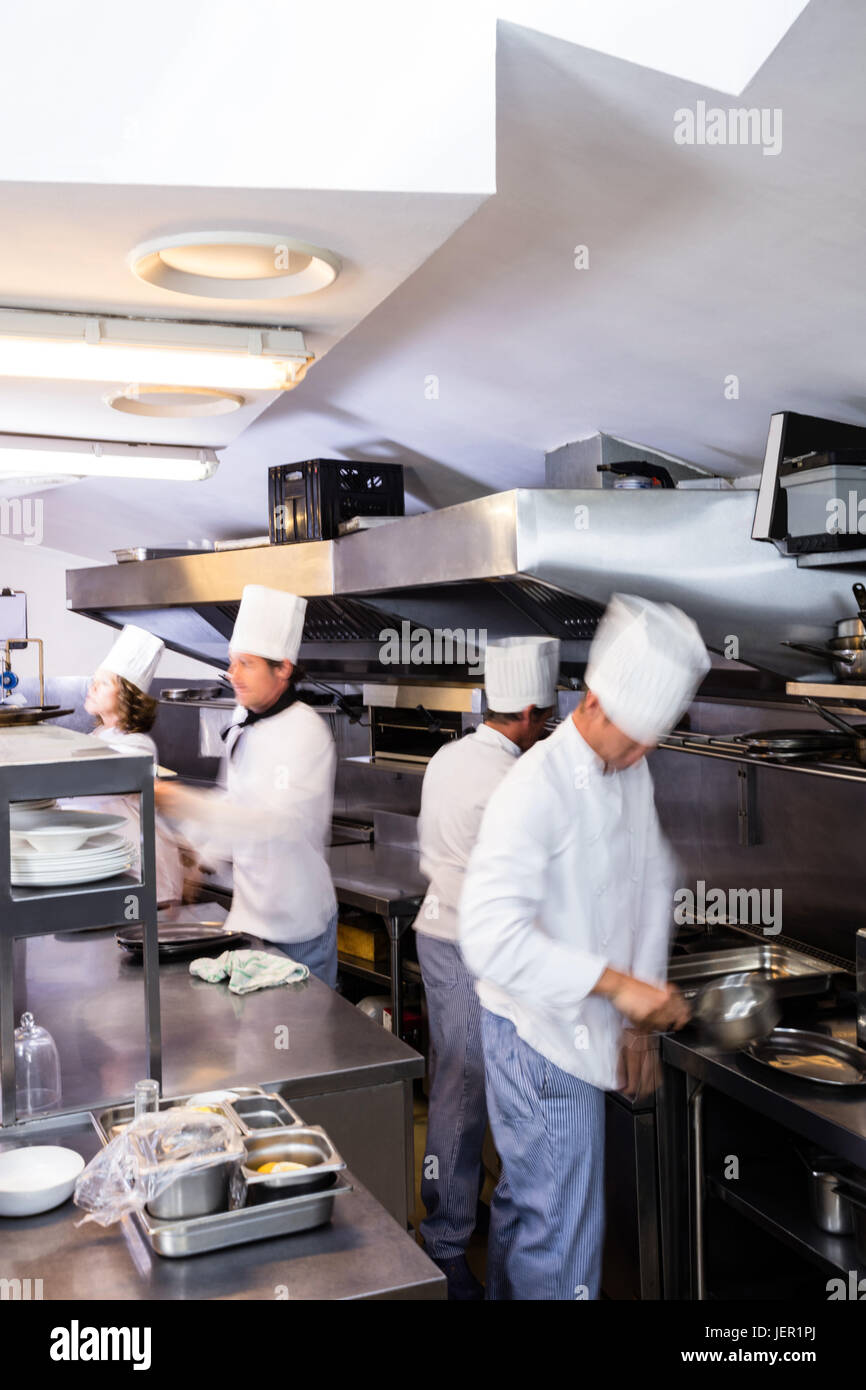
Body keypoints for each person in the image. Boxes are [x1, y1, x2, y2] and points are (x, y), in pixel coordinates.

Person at [459, 594, 710, 1300]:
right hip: (539, 1043)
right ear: (593, 702)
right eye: (638, 734)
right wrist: (614, 985)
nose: (647, 750)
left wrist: (637, 1018)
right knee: (563, 1245)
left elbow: (649, 877)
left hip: (579, 1031)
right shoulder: (534, 788)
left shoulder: (627, 769)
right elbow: (489, 937)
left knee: (528, 1217)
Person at [414, 636, 560, 1301]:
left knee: (460, 1087)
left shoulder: (450, 754)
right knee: (463, 1095)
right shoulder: (513, 780)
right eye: (547, 715)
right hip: (470, 946)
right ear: (527, 712)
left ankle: (458, 1235)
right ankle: (444, 1253)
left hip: (443, 932)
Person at [155, 585, 339, 985]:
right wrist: (200, 859)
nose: (232, 674)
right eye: (231, 662)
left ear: (283, 668)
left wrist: (181, 801)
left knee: (303, 1045)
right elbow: (234, 797)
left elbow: (275, 822)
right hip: (249, 919)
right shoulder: (244, 719)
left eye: (245, 664)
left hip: (296, 927)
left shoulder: (305, 731)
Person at [81, 624, 185, 904]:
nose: (92, 687)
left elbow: (91, 777)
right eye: (94, 679)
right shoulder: (96, 735)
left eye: (103, 683)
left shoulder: (137, 744)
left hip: (140, 866)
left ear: (127, 694)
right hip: (109, 865)